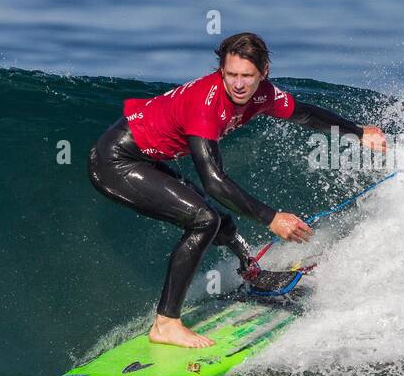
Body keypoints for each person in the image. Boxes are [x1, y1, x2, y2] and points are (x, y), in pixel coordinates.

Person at [88, 32, 388, 348]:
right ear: (222, 72)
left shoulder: (264, 95)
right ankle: (166, 324)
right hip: (115, 160)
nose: (239, 84)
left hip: (144, 157)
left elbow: (305, 114)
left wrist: (357, 131)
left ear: (264, 72)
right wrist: (271, 218)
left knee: (221, 221)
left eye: (247, 76)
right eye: (231, 75)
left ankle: (252, 272)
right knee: (204, 220)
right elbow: (214, 182)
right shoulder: (206, 105)